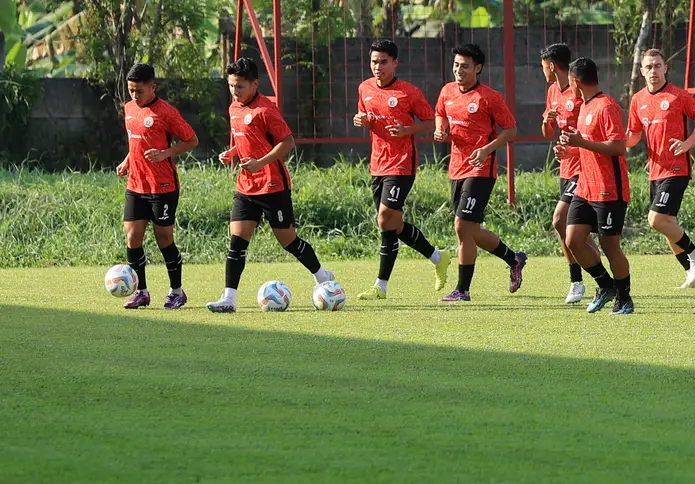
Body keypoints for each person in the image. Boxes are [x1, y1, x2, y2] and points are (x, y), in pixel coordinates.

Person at [207, 58, 335, 313]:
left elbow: (287, 142)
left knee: (288, 241)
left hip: (272, 185)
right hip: (245, 187)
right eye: (231, 86)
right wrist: (233, 152)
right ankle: (229, 299)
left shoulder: (266, 110)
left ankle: (322, 275)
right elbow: (249, 139)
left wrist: (260, 163)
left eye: (240, 86)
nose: (235, 91)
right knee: (237, 241)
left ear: (255, 84)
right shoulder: (234, 108)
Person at [353, 39, 450, 301]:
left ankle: (380, 286)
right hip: (377, 165)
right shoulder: (364, 89)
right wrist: (359, 119)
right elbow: (364, 115)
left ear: (395, 63)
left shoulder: (408, 93)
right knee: (393, 226)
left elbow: (430, 122)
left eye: (384, 62)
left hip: (402, 164)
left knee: (385, 218)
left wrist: (407, 130)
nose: (378, 67)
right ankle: (438, 258)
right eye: (374, 61)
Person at [434, 43, 525, 303]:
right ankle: (513, 259)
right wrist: (441, 129)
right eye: (456, 65)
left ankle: (462, 290)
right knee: (470, 230)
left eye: (464, 66)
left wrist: (486, 149)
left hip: (481, 170)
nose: (458, 70)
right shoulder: (447, 91)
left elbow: (511, 130)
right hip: (456, 168)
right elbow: (440, 114)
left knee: (462, 226)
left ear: (478, 68)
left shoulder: (489, 97)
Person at [116, 63, 199, 309]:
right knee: (132, 238)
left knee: (164, 239)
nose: (134, 95)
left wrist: (166, 153)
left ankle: (177, 291)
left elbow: (192, 140)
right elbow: (136, 144)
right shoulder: (129, 108)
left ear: (152, 87)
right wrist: (126, 161)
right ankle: (141, 291)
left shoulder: (166, 112)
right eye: (131, 90)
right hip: (136, 185)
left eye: (139, 90)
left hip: (162, 187)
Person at [627, 48, 695, 289]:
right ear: (642, 71)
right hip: (655, 170)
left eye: (657, 65)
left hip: (676, 170)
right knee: (668, 225)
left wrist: (686, 144)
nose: (653, 70)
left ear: (665, 68)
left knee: (656, 220)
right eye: (649, 66)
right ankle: (693, 273)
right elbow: (632, 136)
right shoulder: (638, 100)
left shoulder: (678, 95)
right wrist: (610, 144)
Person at [557, 57, 635, 314]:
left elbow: (618, 147)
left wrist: (582, 143)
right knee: (573, 239)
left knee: (610, 245)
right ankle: (605, 284)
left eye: (569, 80)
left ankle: (624, 298)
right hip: (585, 186)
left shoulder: (607, 107)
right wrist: (569, 153)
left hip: (609, 189)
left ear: (576, 81)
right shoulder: (585, 107)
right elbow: (586, 147)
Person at [540, 43, 590, 304]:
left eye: (543, 66)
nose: (543, 71)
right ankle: (591, 278)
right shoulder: (552, 92)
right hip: (566, 168)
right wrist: (548, 120)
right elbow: (547, 134)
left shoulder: (579, 90)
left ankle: (577, 281)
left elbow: (591, 130)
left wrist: (576, 150)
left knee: (560, 219)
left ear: (551, 65)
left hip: (584, 167)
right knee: (572, 230)